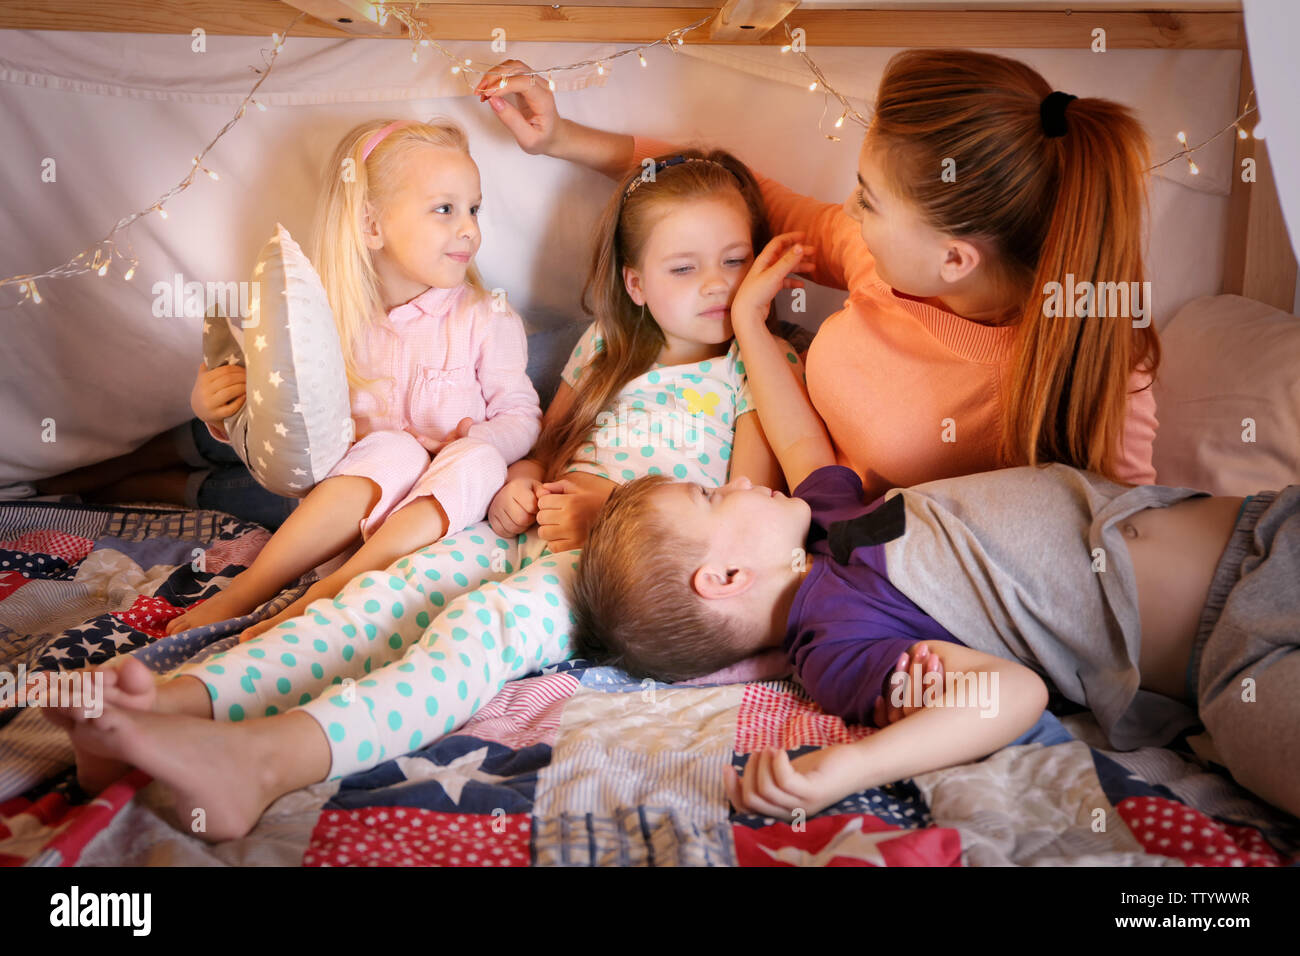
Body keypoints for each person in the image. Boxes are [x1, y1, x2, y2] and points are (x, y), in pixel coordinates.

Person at [47, 144, 807, 843]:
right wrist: (523, 481)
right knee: (382, 598)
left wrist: (602, 513)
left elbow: (742, 502)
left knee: (472, 634)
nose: (716, 284)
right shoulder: (605, 346)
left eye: (735, 261)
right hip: (520, 533)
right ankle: (173, 706)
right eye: (685, 268)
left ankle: (267, 760)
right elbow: (545, 444)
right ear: (635, 283)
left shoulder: (749, 370)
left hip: (601, 572)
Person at [569, 232, 1300, 821]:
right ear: (725, 579)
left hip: (1265, 526)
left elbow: (798, 443)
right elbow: (1014, 695)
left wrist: (749, 327)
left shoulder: (827, 527)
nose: (735, 478)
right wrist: (856, 763)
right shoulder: (836, 647)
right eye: (710, 495)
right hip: (1233, 660)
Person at [476, 49, 1162, 501]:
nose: (848, 210)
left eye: (869, 197)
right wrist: (560, 140)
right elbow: (735, 191)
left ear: (955, 259)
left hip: (863, 563)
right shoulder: (880, 261)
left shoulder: (1091, 367)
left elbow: (1115, 539)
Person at [164, 118, 543, 634]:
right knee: (394, 449)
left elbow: (521, 414)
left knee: (476, 459)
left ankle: (315, 601)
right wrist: (213, 407)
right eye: (444, 209)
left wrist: (475, 439)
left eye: (473, 209)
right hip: (337, 526)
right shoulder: (331, 319)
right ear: (371, 225)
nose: (469, 228)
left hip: (436, 525)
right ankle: (246, 592)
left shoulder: (487, 317)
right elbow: (279, 416)